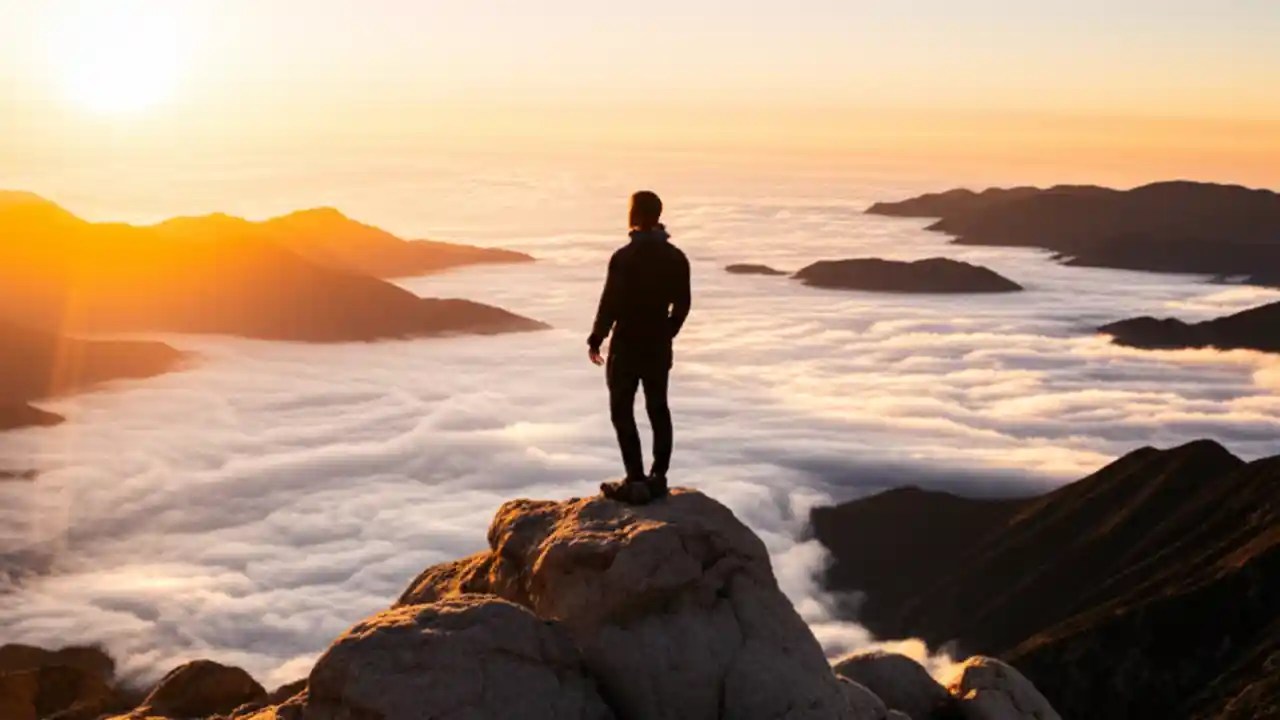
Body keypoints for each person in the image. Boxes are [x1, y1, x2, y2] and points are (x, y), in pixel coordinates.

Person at [588, 190, 691, 502]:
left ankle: (635, 478)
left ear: (635, 215)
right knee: (658, 408)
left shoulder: (624, 258)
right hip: (658, 345)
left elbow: (610, 303)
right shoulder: (676, 258)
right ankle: (658, 477)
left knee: (622, 409)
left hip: (626, 345)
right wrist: (666, 332)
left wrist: (597, 337)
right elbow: (683, 304)